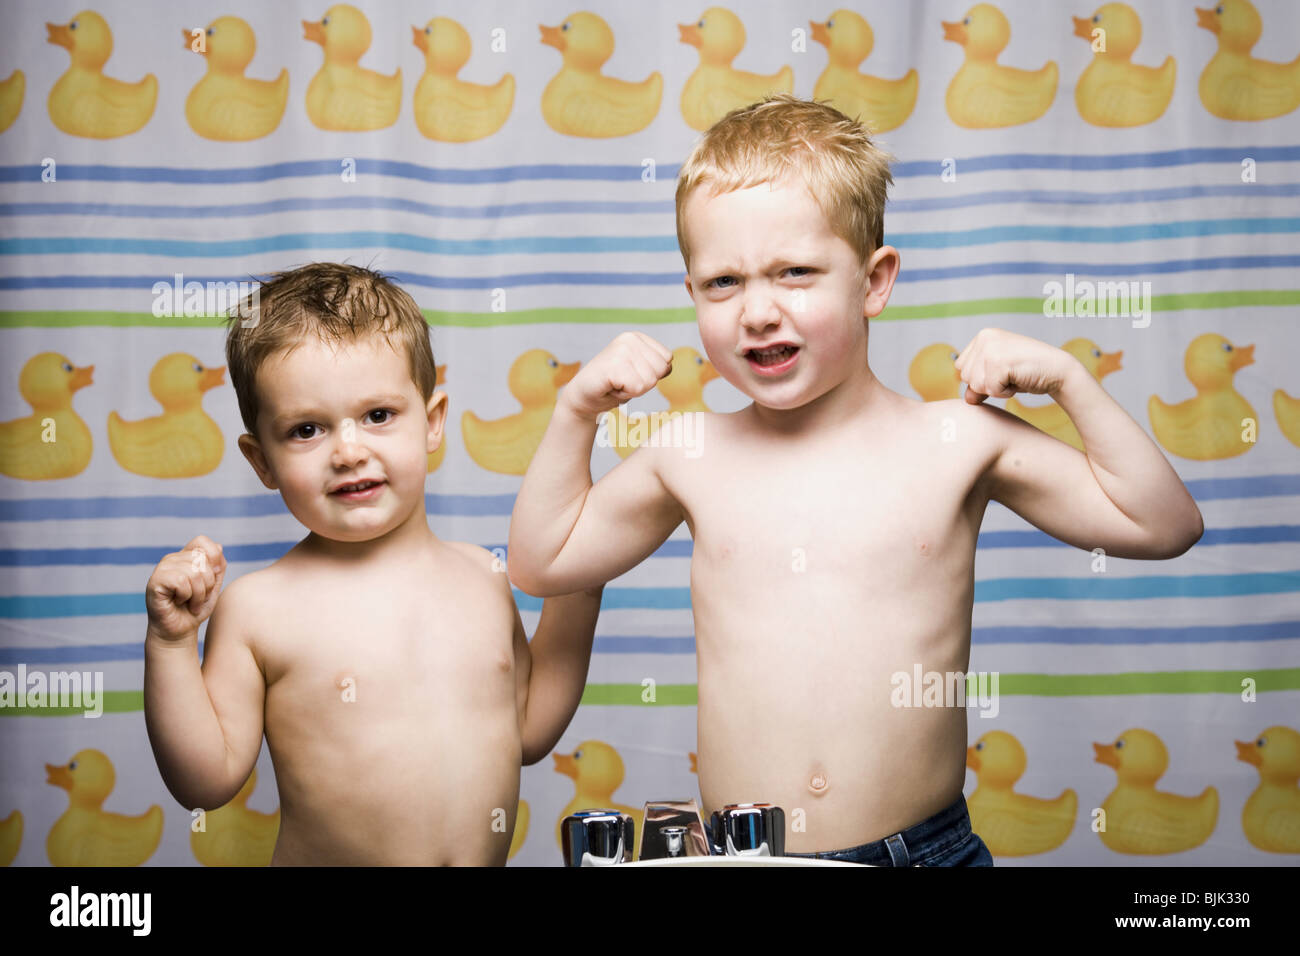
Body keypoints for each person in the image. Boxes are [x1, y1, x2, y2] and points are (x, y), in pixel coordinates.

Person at [507, 94, 1203, 866]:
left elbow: (1162, 524)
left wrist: (1071, 381)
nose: (758, 312)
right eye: (723, 282)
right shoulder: (690, 452)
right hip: (750, 859)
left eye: (795, 273)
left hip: (924, 853)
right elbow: (544, 562)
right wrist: (575, 411)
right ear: (692, 294)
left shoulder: (955, 441)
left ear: (874, 281)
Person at [144, 263, 602, 865]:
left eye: (378, 416)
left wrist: (580, 580)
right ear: (262, 462)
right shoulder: (259, 608)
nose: (349, 451)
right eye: (306, 429)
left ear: (431, 422)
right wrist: (172, 645)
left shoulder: (481, 577)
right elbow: (205, 782)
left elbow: (529, 731)